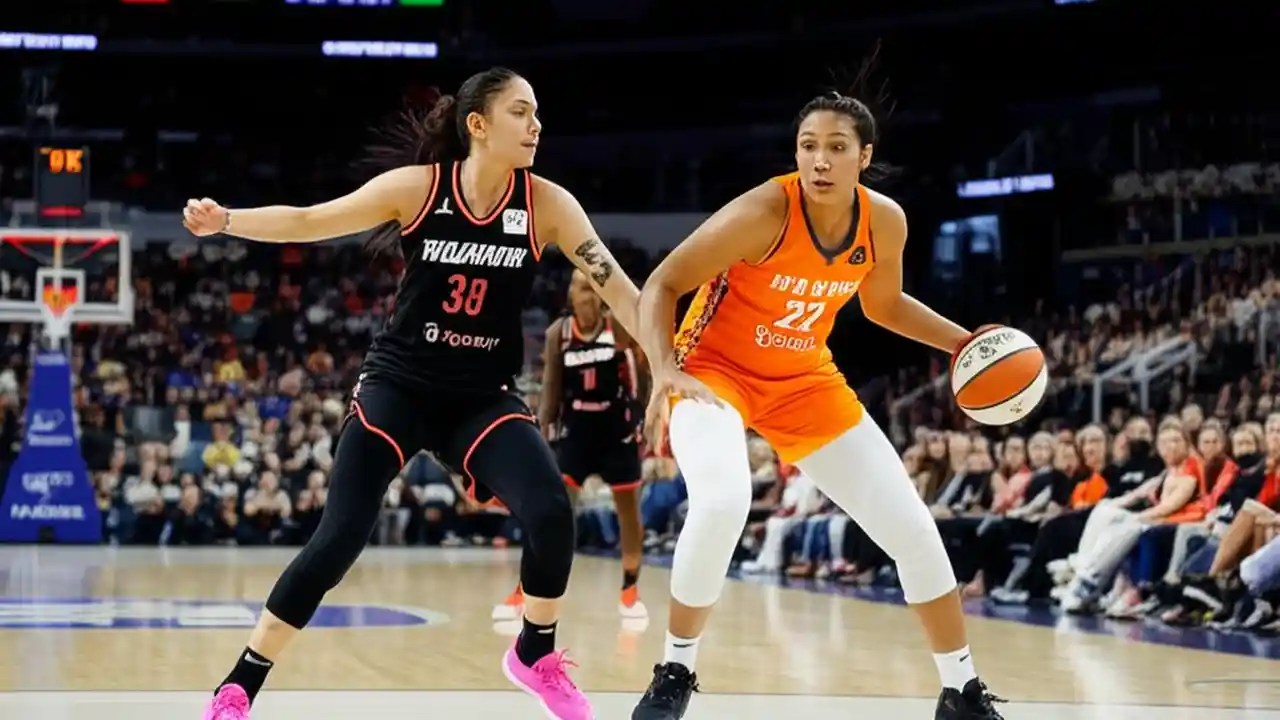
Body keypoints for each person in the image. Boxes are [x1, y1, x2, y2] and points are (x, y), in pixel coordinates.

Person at [183, 67, 641, 720]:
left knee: (550, 514)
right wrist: (227, 219)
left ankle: (534, 653)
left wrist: (672, 354)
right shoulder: (420, 190)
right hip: (398, 387)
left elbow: (620, 288)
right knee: (338, 539)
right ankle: (239, 685)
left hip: (481, 396)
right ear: (477, 125)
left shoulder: (550, 205)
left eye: (537, 112)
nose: (536, 124)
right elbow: (313, 220)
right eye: (521, 111)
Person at [630, 86, 1006, 719]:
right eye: (808, 147)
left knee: (911, 528)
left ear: (864, 156)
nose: (820, 161)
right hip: (713, 373)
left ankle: (961, 691)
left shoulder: (883, 220)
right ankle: (674, 671)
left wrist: (964, 343)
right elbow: (664, 281)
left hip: (803, 379)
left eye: (836, 148)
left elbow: (882, 305)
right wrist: (663, 371)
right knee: (724, 501)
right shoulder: (763, 212)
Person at [494, 269, 650, 623]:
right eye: (580, 287)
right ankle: (525, 590)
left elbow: (643, 373)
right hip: (577, 432)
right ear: (570, 295)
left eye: (593, 287)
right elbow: (550, 390)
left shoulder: (619, 327)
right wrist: (540, 430)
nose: (587, 294)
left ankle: (630, 591)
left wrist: (644, 416)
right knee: (552, 513)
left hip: (617, 430)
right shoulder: (558, 334)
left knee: (629, 514)